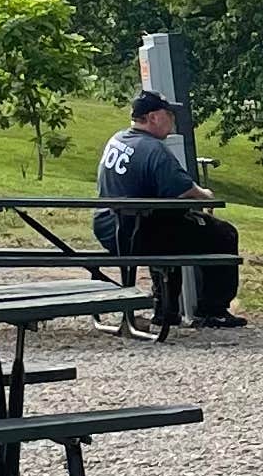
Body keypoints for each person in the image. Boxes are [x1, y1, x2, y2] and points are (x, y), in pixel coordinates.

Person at [96, 90, 245, 329]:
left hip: (108, 228)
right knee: (223, 234)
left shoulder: (118, 139)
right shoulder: (154, 149)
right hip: (138, 236)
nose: (173, 120)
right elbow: (184, 190)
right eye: (169, 114)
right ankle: (213, 310)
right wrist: (205, 195)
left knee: (171, 225)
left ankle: (166, 309)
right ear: (153, 117)